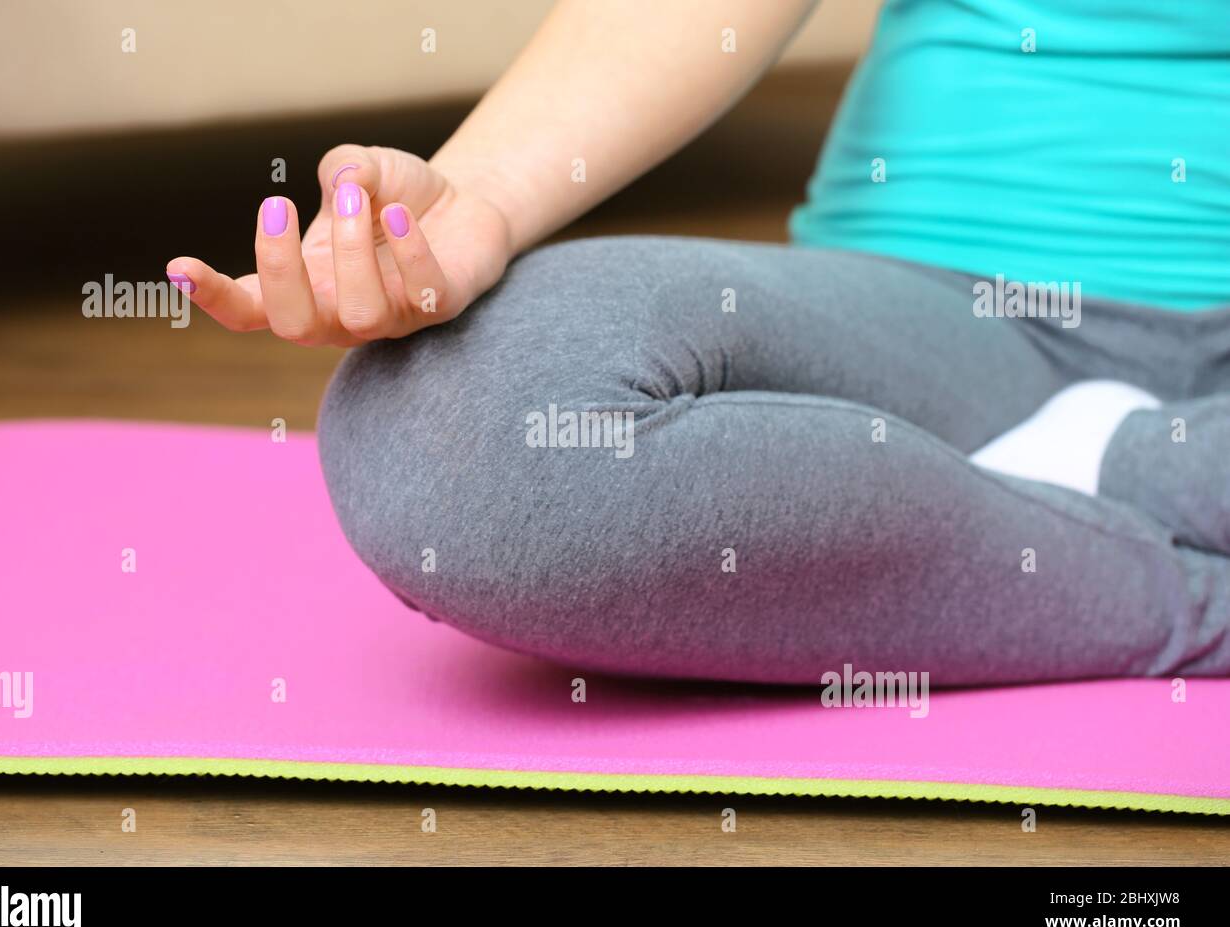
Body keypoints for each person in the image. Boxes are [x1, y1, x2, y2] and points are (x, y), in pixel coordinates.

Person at [166, 0, 1230, 685]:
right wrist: (480, 199)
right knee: (439, 423)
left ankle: (1084, 484)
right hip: (942, 311)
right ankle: (1169, 568)